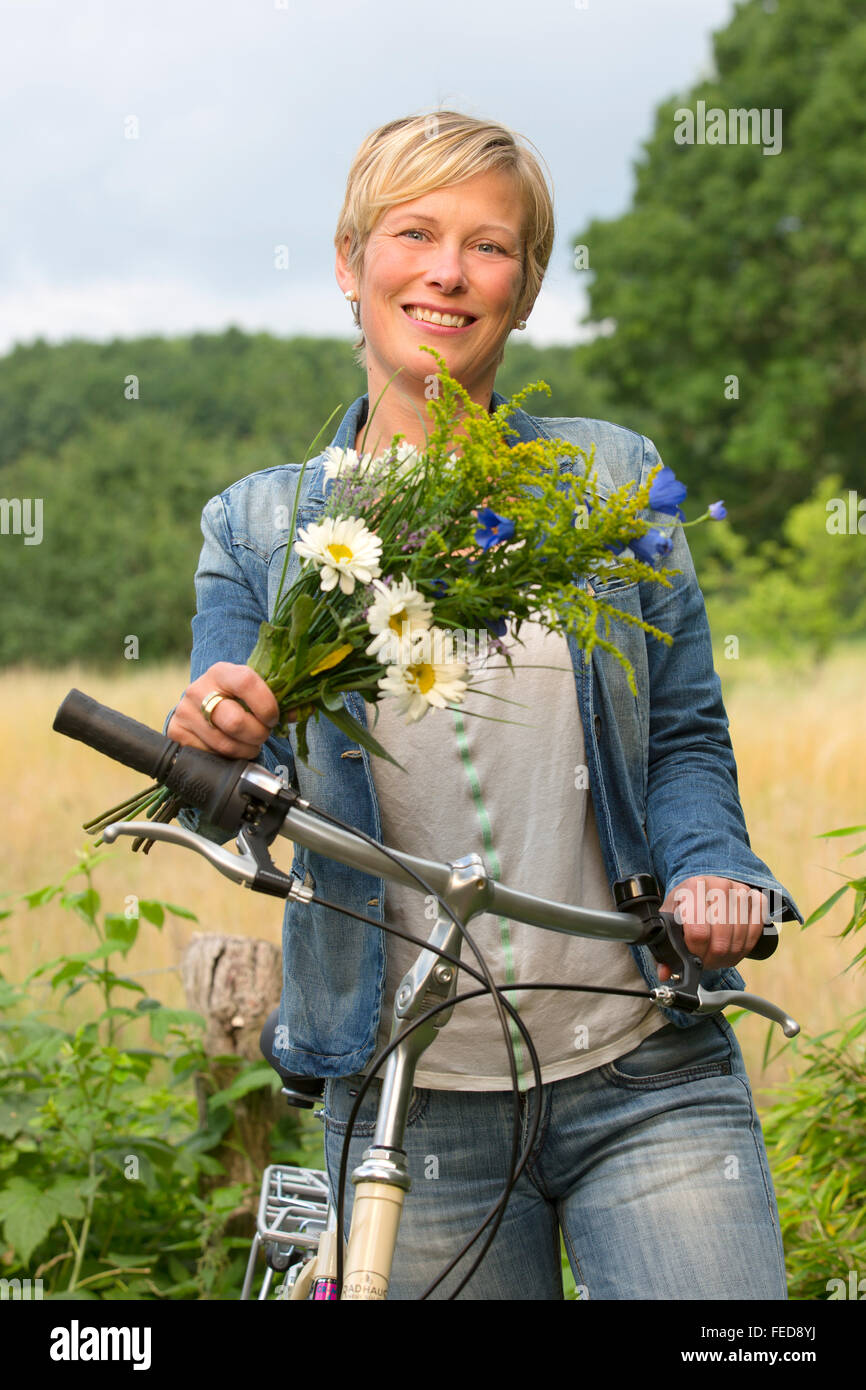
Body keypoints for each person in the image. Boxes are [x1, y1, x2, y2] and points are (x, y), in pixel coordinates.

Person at [166, 110, 802, 1300]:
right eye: (414, 233)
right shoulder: (255, 529)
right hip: (407, 1104)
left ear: (524, 288)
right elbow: (227, 793)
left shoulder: (605, 482)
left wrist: (713, 866)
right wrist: (221, 739)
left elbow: (679, 738)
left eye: (489, 246)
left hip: (642, 1068)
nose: (448, 272)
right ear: (352, 263)